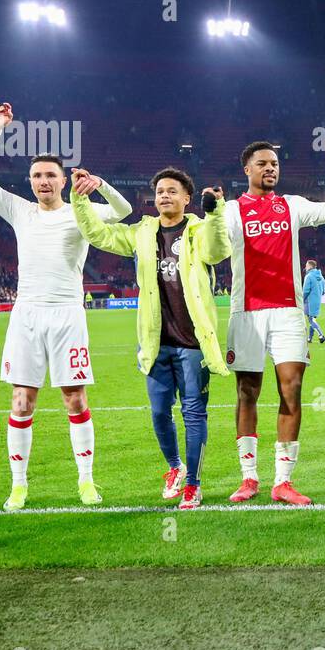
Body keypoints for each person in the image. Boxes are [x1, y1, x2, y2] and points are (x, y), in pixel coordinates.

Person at [0, 102, 132, 511]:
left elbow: (125, 212)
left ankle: (86, 482)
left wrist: (100, 185)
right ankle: (18, 485)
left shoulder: (81, 212)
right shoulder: (19, 210)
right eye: (37, 175)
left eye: (50, 175)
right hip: (27, 316)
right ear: (30, 181)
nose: (43, 181)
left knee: (75, 399)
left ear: (63, 180)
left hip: (68, 315)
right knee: (22, 400)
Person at [72, 167, 230, 510]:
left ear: (186, 199)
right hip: (156, 343)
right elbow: (99, 235)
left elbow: (218, 251)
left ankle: (193, 485)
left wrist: (215, 213)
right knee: (159, 413)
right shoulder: (142, 233)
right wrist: (80, 198)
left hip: (192, 343)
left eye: (172, 191)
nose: (164, 196)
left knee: (193, 414)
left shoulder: (200, 230)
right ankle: (175, 467)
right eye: (160, 191)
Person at [225, 140, 325, 507]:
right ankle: (249, 477)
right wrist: (210, 213)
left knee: (291, 390)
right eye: (262, 164)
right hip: (247, 312)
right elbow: (211, 246)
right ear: (247, 169)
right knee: (247, 393)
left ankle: (283, 482)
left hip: (288, 310)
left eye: (274, 163)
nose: (270, 169)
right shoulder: (231, 211)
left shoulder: (291, 205)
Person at [303, 260, 325, 344]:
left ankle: (321, 335)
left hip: (309, 301)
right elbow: (324, 290)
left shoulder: (308, 276)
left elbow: (305, 290)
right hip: (317, 300)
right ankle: (310, 338)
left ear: (309, 266)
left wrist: (302, 299)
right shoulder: (320, 276)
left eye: (306, 265)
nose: (305, 267)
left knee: (311, 320)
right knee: (312, 319)